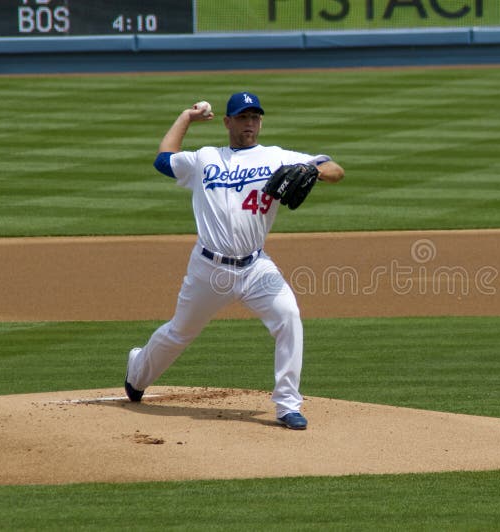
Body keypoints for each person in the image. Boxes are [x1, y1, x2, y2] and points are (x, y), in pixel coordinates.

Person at [124, 92, 344, 430]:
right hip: (208, 269)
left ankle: (287, 404)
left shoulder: (276, 157)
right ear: (228, 122)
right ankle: (137, 373)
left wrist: (312, 170)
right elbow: (163, 160)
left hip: (256, 268)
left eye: (255, 117)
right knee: (180, 333)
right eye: (242, 117)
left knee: (288, 315)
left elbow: (335, 169)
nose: (249, 123)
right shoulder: (205, 158)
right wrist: (186, 117)